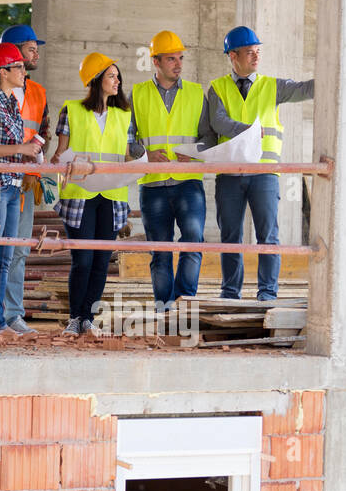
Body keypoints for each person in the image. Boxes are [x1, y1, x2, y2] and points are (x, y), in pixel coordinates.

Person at [200, 25, 314, 300]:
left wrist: (336, 71)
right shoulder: (218, 88)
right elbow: (218, 122)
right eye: (250, 52)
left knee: (268, 236)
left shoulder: (272, 87)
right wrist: (249, 130)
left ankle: (267, 293)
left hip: (264, 173)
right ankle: (230, 293)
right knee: (230, 238)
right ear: (233, 56)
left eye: (257, 52)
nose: (255, 57)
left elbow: (306, 89)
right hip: (229, 173)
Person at [0, 23, 50, 336]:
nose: (26, 66)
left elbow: (36, 131)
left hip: (16, 183)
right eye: (18, 64)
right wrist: (21, 149)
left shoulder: (22, 99)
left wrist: (32, 154)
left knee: (7, 255)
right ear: (5, 68)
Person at [53, 52, 133, 337]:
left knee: (101, 261)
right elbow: (59, 155)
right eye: (112, 75)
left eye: (118, 76)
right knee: (83, 259)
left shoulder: (125, 115)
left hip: (111, 195)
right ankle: (75, 317)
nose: (117, 80)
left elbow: (126, 155)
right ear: (97, 80)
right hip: (80, 194)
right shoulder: (72, 110)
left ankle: (88, 318)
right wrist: (60, 162)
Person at [128, 30, 207, 312]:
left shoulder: (197, 93)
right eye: (171, 58)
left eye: (180, 58)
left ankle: (183, 303)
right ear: (156, 62)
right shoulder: (137, 94)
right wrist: (145, 154)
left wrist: (194, 152)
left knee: (193, 242)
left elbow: (208, 136)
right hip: (153, 185)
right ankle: (164, 308)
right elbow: (126, 139)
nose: (178, 64)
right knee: (160, 251)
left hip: (188, 182)